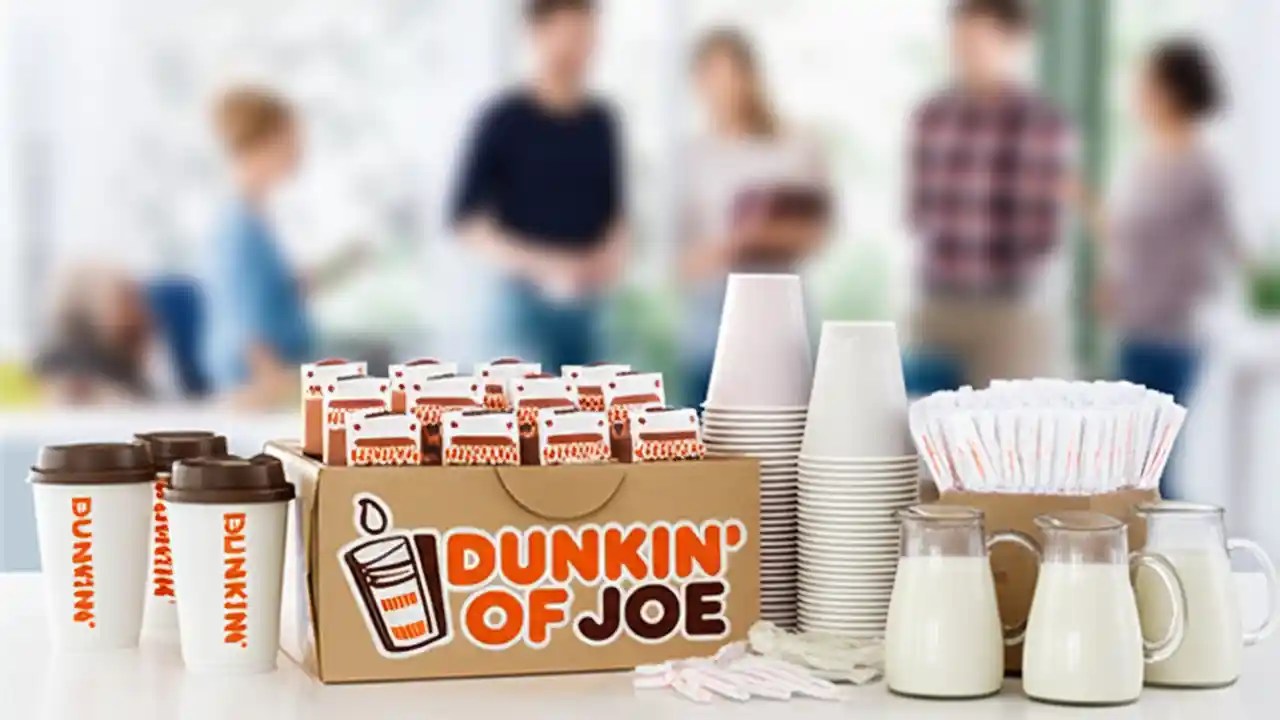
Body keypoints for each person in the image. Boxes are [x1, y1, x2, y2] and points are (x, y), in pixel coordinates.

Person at [905, 0, 1076, 392]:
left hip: (1011, 310)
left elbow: (1043, 229)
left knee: (1007, 425)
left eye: (978, 39)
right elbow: (918, 210)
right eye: (960, 39)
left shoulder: (1041, 121)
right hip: (939, 303)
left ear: (1013, 42)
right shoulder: (931, 116)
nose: (965, 51)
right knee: (926, 422)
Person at [451, 0, 626, 370]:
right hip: (519, 300)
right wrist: (543, 264)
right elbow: (467, 223)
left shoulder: (602, 122)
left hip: (588, 303)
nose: (577, 46)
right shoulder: (503, 119)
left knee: (587, 399)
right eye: (568, 33)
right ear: (536, 33)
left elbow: (615, 215)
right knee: (521, 398)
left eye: (586, 34)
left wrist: (606, 260)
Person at [1095, 39, 1235, 468]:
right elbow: (1128, 236)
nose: (1138, 94)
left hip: (1173, 334)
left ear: (1173, 91)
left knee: (1150, 464)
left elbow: (1227, 245)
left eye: (1147, 83)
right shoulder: (1145, 160)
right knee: (1130, 463)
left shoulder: (1199, 165)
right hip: (1136, 328)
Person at [678, 28, 829, 407]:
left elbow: (816, 232)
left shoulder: (794, 147)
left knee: (785, 428)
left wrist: (763, 235)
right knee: (710, 432)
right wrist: (730, 246)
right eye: (711, 77)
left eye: (731, 74)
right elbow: (681, 262)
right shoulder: (692, 157)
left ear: (751, 77)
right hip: (711, 322)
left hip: (782, 319)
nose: (722, 88)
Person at [203, 86, 314, 406]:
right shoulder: (237, 229)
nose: (298, 152)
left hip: (272, 379)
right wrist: (278, 389)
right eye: (290, 140)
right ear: (261, 145)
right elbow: (246, 327)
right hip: (256, 387)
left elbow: (264, 296)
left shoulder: (255, 219)